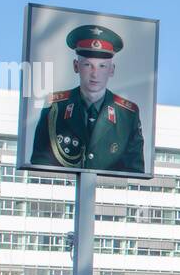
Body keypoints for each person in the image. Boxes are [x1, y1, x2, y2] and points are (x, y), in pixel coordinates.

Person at [29, 24, 146, 173]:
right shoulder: (55, 107)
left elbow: (135, 172)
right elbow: (40, 164)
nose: (95, 74)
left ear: (112, 70)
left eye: (102, 66)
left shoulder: (128, 114)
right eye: (88, 65)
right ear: (76, 66)